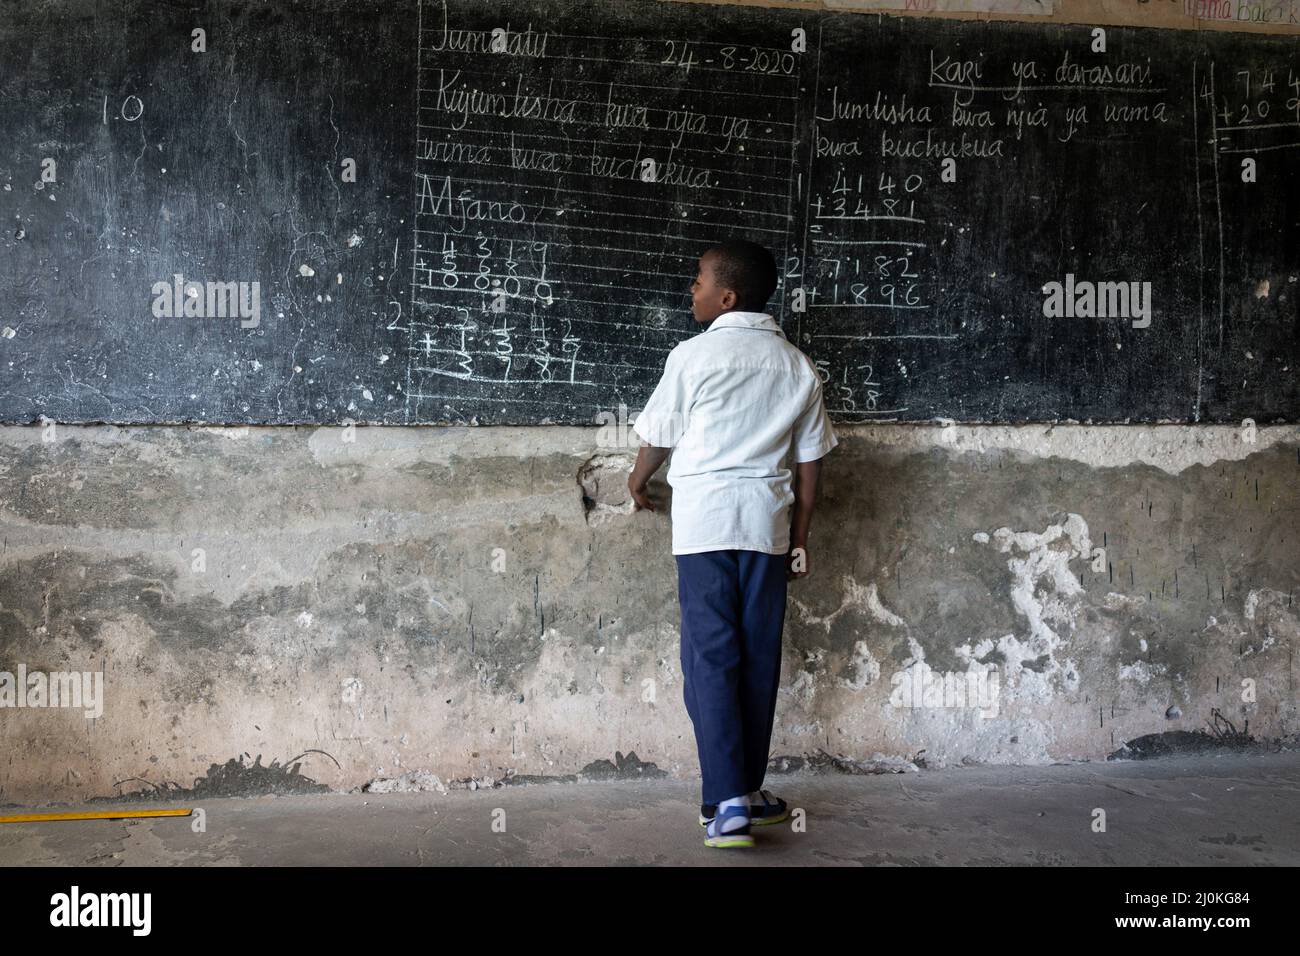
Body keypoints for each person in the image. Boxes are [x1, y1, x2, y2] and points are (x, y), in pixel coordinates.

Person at [627, 238, 838, 848]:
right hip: (765, 528)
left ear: (727, 296)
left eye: (697, 280)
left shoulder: (692, 358)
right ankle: (742, 790)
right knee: (756, 657)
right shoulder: (796, 364)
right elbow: (810, 462)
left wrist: (637, 482)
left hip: (704, 528)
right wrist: (799, 538)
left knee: (710, 659)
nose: (690, 290)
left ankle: (726, 806)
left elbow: (659, 434)